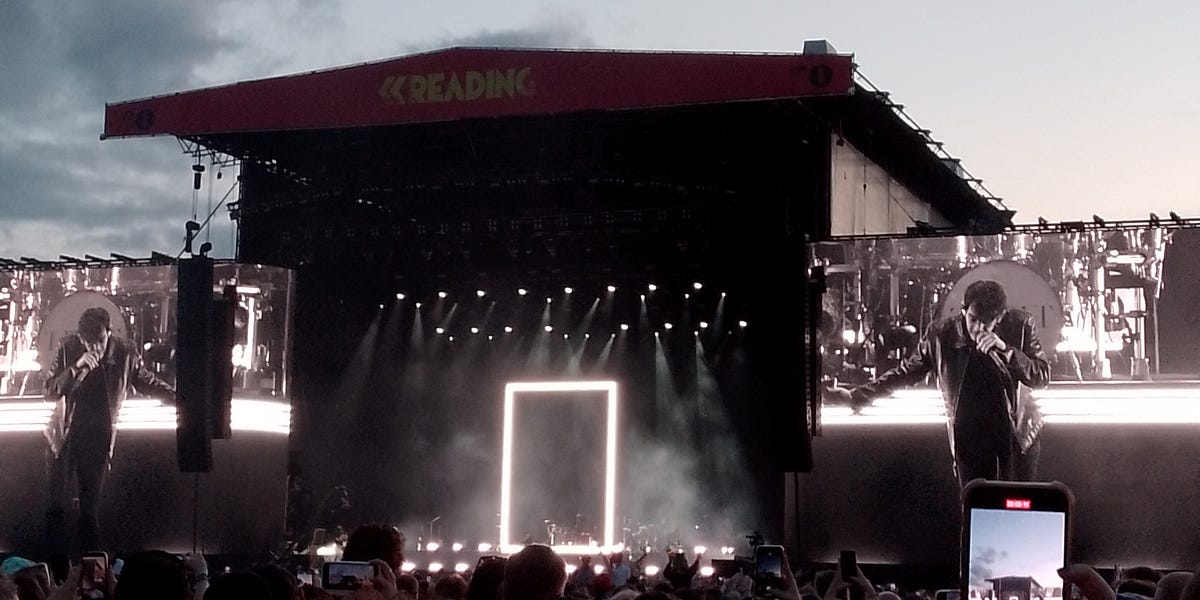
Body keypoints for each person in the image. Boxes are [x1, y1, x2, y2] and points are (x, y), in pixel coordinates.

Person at [828, 280, 1050, 486]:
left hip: (1016, 435)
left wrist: (1006, 351)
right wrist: (858, 396)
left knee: (1019, 506)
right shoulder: (941, 335)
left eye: (987, 322)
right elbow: (907, 372)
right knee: (975, 505)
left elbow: (1041, 376)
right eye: (973, 319)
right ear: (963, 310)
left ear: (1000, 317)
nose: (978, 330)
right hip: (970, 437)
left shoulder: (1020, 325)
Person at [43, 307, 175, 555]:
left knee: (89, 514)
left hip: (98, 440)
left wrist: (179, 398)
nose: (95, 349)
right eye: (89, 343)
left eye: (100, 342)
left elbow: (146, 381)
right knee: (56, 510)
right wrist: (75, 368)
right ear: (81, 338)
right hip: (64, 438)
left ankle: (90, 574)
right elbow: (50, 390)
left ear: (110, 333)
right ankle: (55, 573)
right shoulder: (68, 347)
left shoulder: (124, 352)